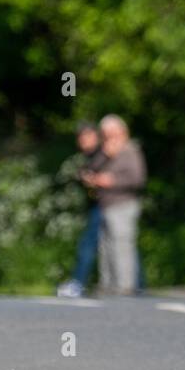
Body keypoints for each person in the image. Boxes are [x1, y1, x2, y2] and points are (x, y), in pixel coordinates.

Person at [86, 114, 147, 294]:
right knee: (105, 246)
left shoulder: (130, 151)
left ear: (122, 132)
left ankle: (125, 285)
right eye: (105, 134)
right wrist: (105, 155)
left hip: (123, 204)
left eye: (112, 133)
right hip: (106, 205)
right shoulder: (104, 152)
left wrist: (112, 181)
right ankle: (108, 284)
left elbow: (138, 179)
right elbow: (91, 168)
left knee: (122, 244)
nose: (109, 137)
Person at [56, 123, 105, 298]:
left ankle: (78, 282)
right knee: (111, 245)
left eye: (86, 137)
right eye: (80, 138)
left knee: (88, 245)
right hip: (97, 206)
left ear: (96, 136)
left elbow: (105, 179)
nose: (83, 141)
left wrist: (92, 179)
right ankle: (137, 285)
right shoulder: (89, 156)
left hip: (105, 206)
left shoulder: (103, 154)